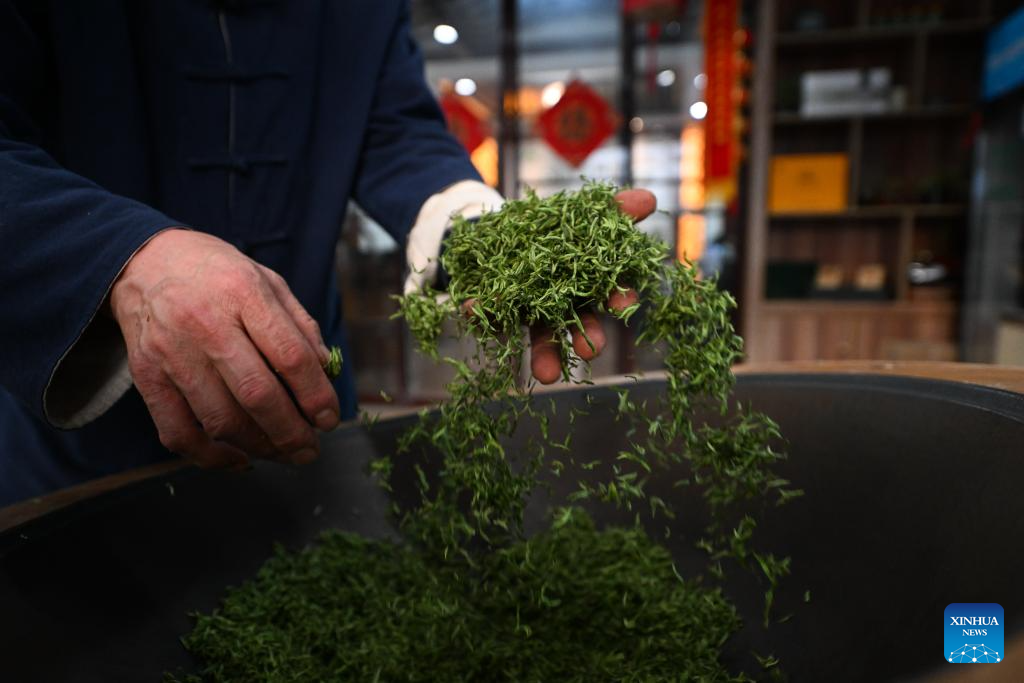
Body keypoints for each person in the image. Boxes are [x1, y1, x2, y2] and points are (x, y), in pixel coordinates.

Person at [0, 0, 654, 507]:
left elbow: (395, 126)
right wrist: (128, 262)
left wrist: (486, 241)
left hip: (306, 407)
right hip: (82, 443)